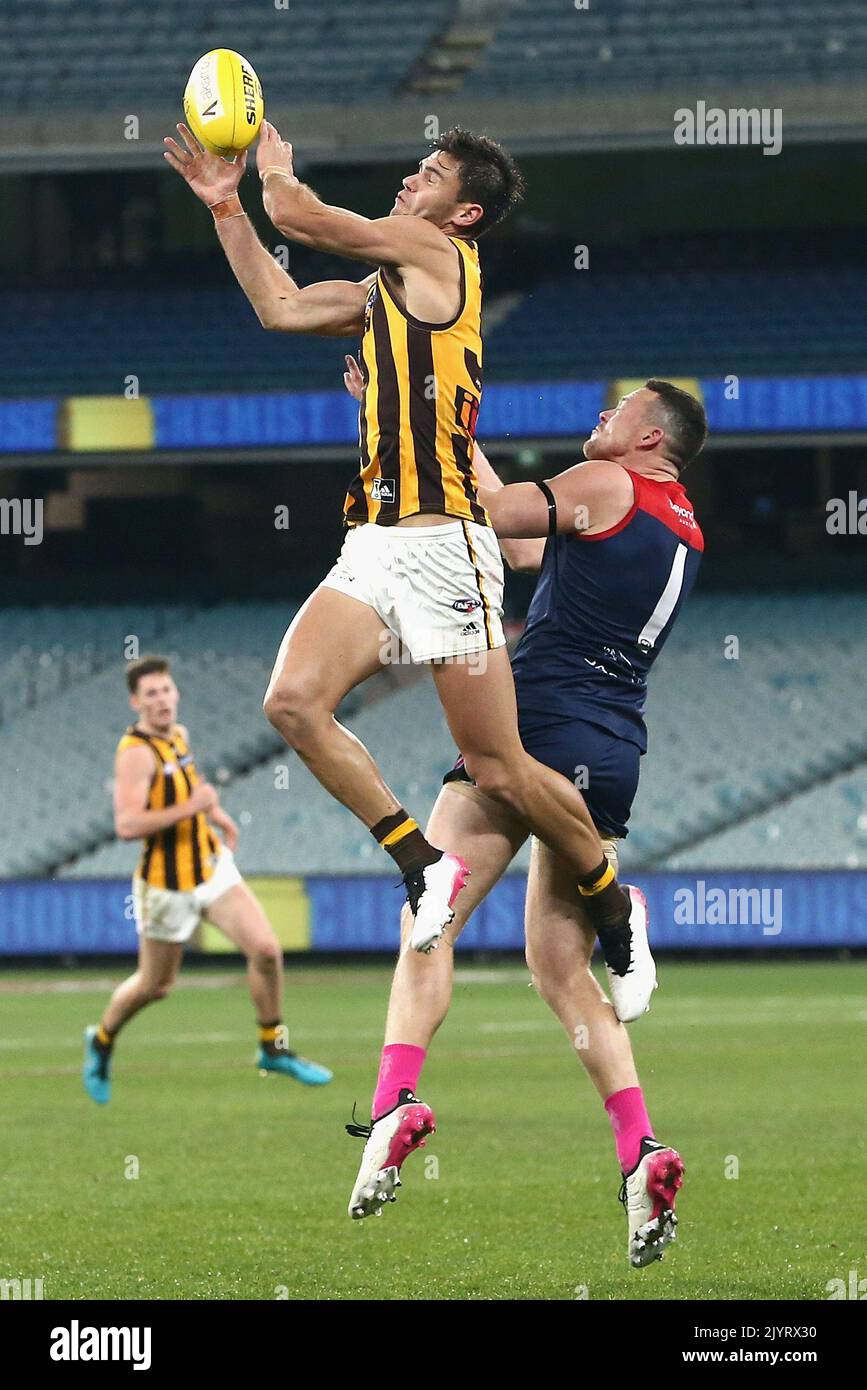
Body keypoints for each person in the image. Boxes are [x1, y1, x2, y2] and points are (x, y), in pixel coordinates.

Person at [163, 121, 647, 999]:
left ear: (461, 212)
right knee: (293, 702)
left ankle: (612, 901)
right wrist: (225, 206)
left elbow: (303, 215)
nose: (408, 178)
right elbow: (278, 306)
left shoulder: (435, 253)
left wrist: (269, 166)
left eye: (427, 173)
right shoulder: (385, 286)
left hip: (447, 545)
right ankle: (422, 862)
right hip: (377, 541)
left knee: (496, 768)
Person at [342, 370, 707, 1267]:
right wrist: (453, 431)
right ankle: (640, 1151)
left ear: (649, 437)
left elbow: (497, 513)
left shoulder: (608, 482)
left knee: (432, 913)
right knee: (557, 966)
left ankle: (396, 1101)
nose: (599, 417)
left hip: (537, 718)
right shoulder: (677, 522)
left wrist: (411, 421)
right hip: (614, 744)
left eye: (615, 412)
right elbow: (534, 554)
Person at [82, 656, 332, 1104]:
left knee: (267, 951)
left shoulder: (178, 736)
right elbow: (127, 825)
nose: (161, 700)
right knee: (155, 985)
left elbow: (191, 786)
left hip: (210, 866)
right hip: (165, 885)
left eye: (166, 690)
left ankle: (271, 1048)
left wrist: (216, 815)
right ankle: (101, 1040)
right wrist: (198, 805)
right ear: (135, 702)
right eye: (151, 694)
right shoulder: (136, 753)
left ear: (176, 693)